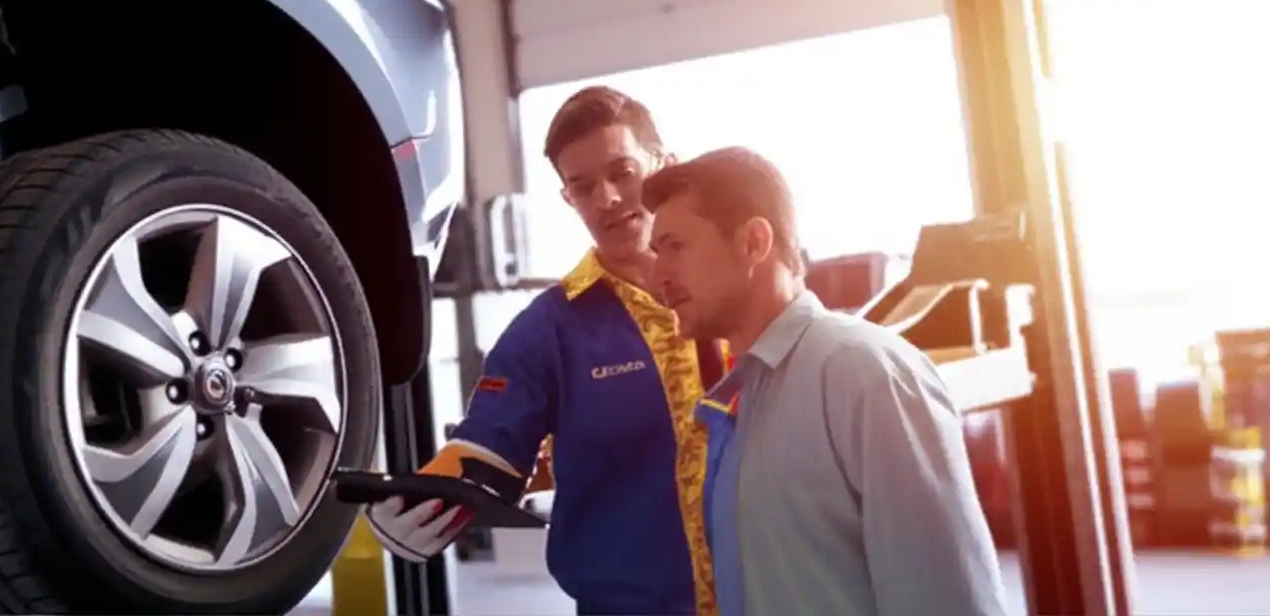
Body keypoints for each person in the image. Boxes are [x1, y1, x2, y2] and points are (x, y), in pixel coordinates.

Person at [367, 86, 723, 616]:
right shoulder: (547, 331)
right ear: (568, 199)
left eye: (623, 172)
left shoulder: (733, 295)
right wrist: (424, 500)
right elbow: (488, 448)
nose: (605, 198)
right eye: (582, 187)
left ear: (665, 164)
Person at [645, 146, 1009, 616]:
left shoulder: (866, 372)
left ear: (754, 242)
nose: (658, 277)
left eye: (675, 247)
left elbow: (949, 599)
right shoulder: (748, 394)